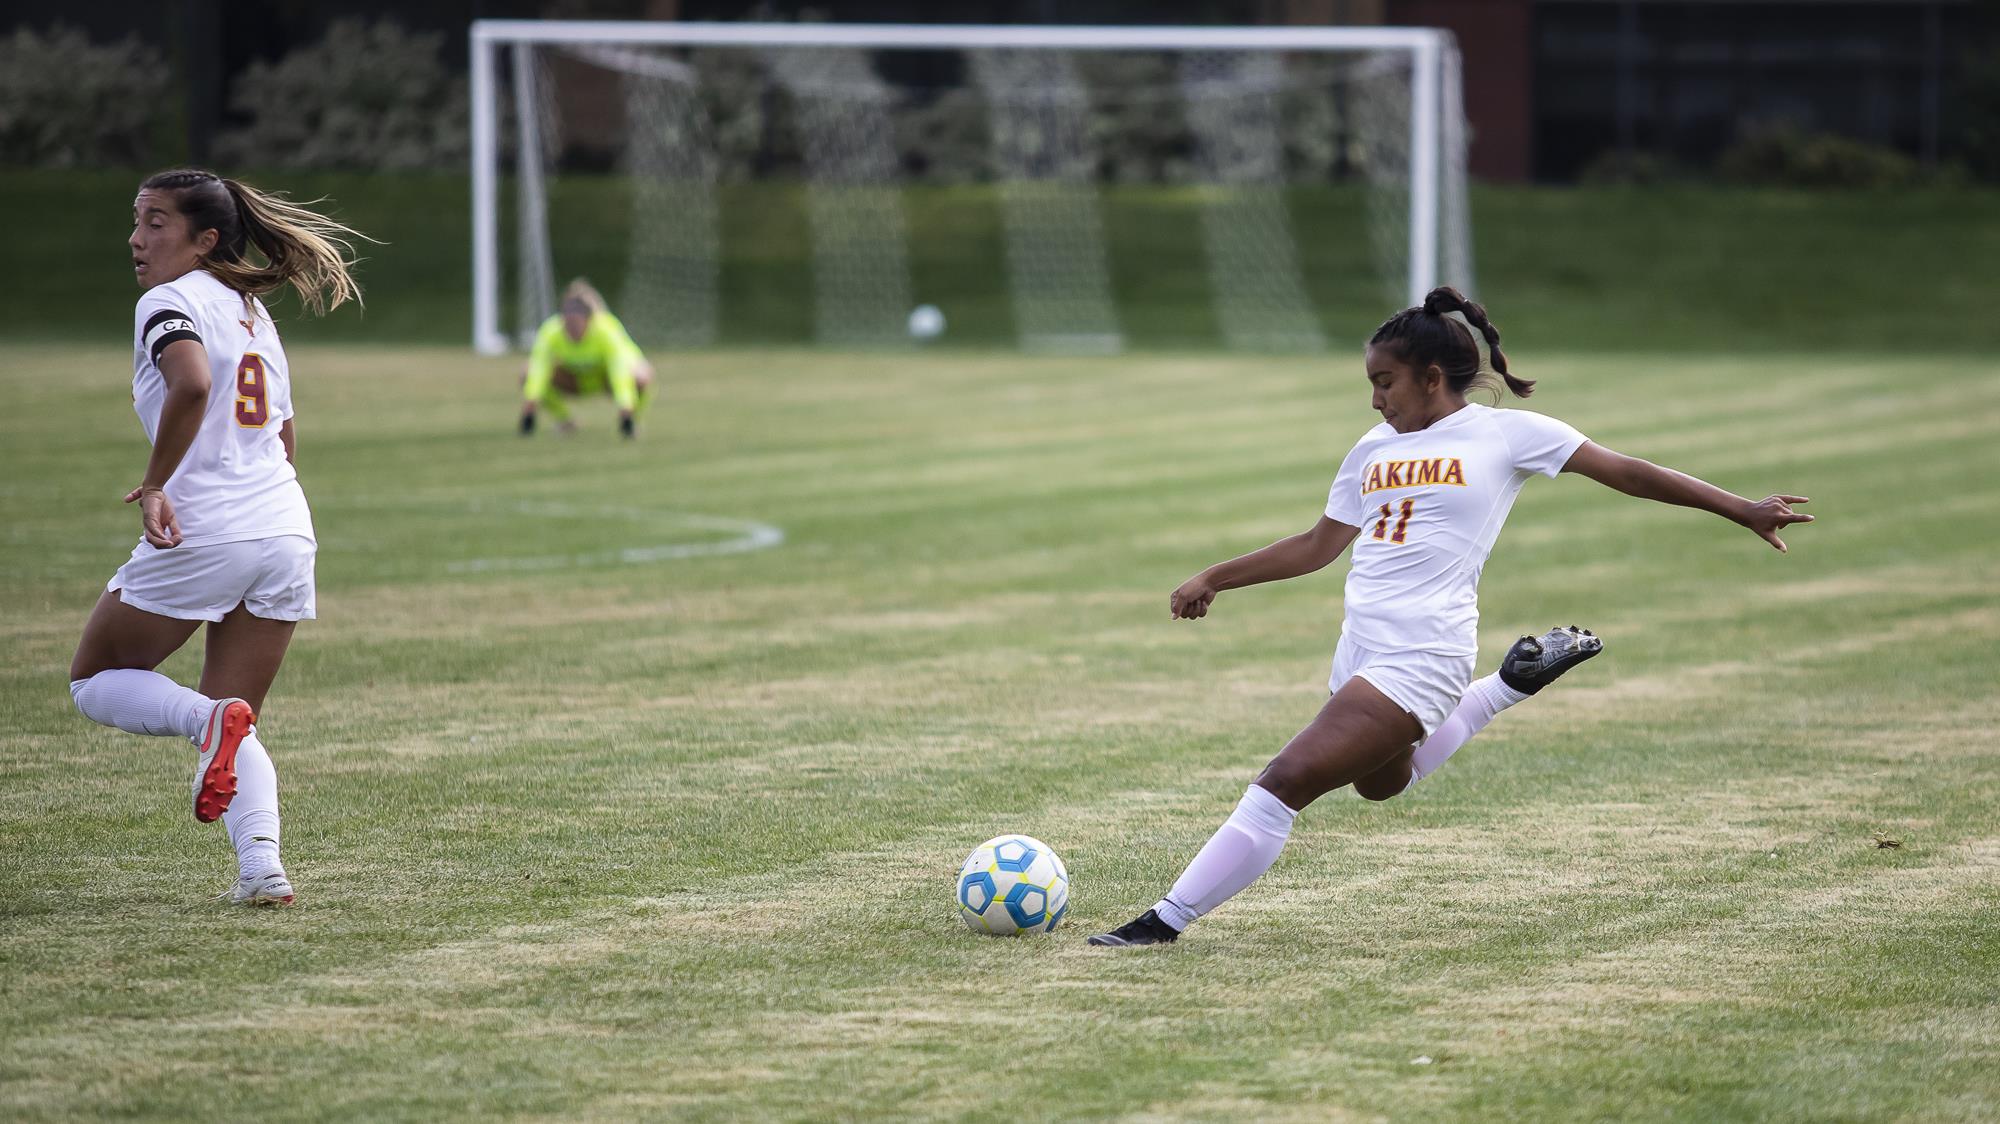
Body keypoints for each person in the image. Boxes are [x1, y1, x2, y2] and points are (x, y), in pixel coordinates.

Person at [1088, 286, 1814, 946]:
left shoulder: (1506, 436)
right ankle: (1507, 687)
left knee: (1285, 781)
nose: (1375, 400)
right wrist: (1217, 576)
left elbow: (1627, 471)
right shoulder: (1373, 449)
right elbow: (1318, 546)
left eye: (1385, 382)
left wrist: (1739, 508)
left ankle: (1163, 921)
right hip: (1358, 656)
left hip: (1423, 657)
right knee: (1379, 784)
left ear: (1432, 378)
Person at [67, 168, 368, 907]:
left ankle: (206, 723)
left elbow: (193, 384)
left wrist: (160, 482)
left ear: (205, 238)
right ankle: (263, 869)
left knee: (95, 681)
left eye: (157, 222)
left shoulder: (167, 302)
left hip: (209, 529)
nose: (137, 239)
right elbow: (285, 435)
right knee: (241, 718)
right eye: (137, 221)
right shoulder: (252, 313)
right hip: (285, 529)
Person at [518, 279, 655, 439]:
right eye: (568, 321)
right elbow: (539, 367)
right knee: (527, 373)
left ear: (588, 319)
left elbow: (619, 369)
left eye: (576, 321)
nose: (572, 327)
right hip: (575, 380)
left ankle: (631, 421)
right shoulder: (551, 331)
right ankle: (565, 420)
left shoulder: (606, 331)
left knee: (642, 375)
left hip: (605, 380)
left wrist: (625, 406)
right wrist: (530, 404)